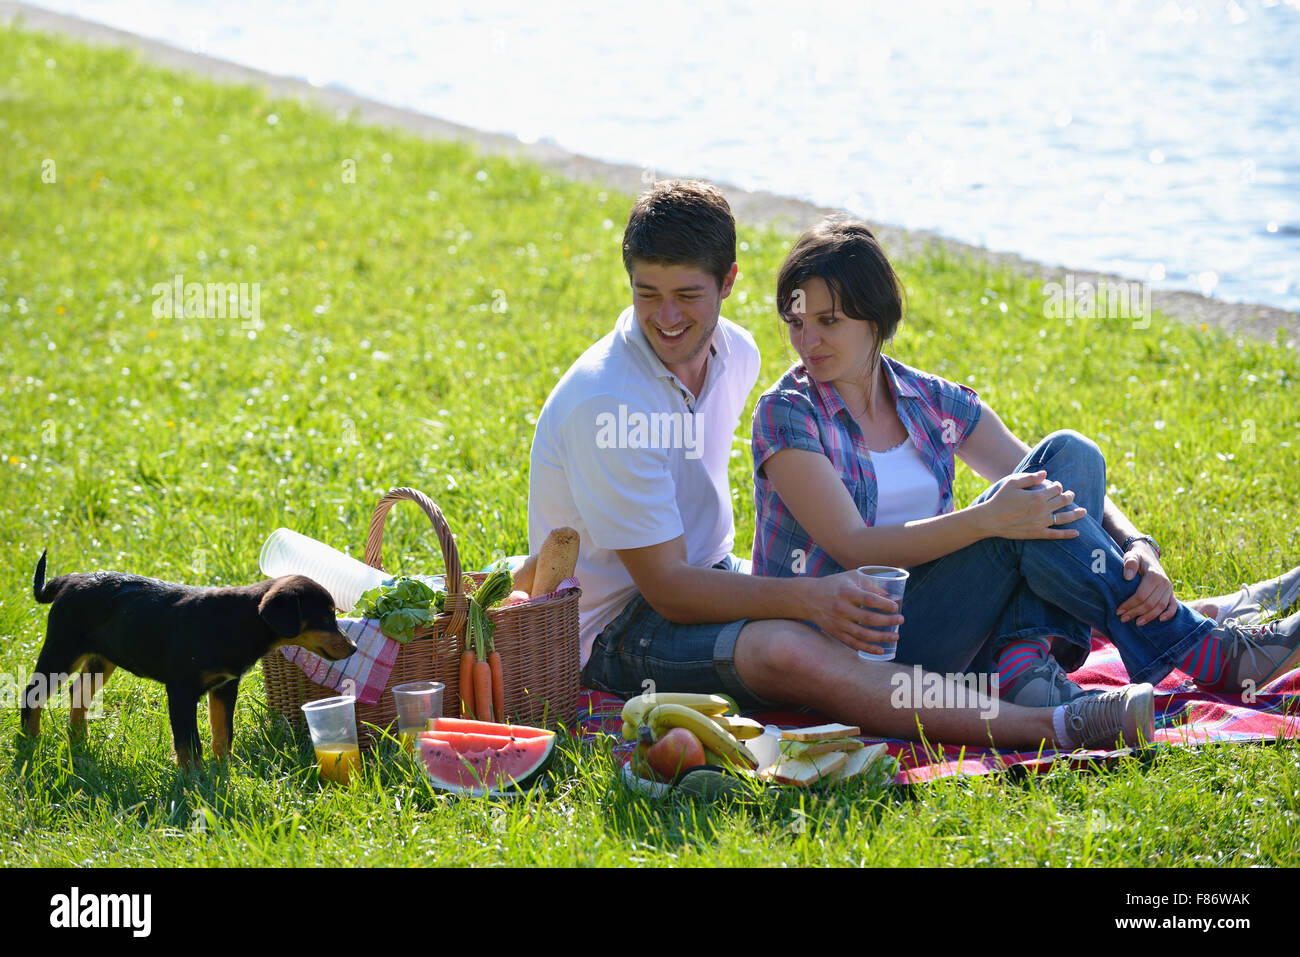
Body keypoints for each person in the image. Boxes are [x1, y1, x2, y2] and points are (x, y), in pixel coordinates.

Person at [528, 180, 1154, 751]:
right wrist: (808, 599)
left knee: (1047, 490)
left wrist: (1135, 543)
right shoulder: (609, 403)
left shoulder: (734, 354)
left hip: (714, 576)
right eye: (647, 295)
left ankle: (1170, 634)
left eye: (686, 295)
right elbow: (667, 589)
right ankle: (1059, 724)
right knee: (787, 648)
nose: (666, 318)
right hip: (618, 626)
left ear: (728, 283)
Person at [749, 216, 1300, 706]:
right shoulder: (788, 412)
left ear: (875, 319)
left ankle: (1024, 667)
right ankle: (1203, 650)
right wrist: (986, 520)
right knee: (1017, 517)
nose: (808, 340)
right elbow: (853, 546)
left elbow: (1061, 480)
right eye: (796, 322)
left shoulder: (928, 400)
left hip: (948, 626)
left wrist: (1138, 546)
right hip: (854, 648)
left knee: (1071, 453)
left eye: (829, 320)